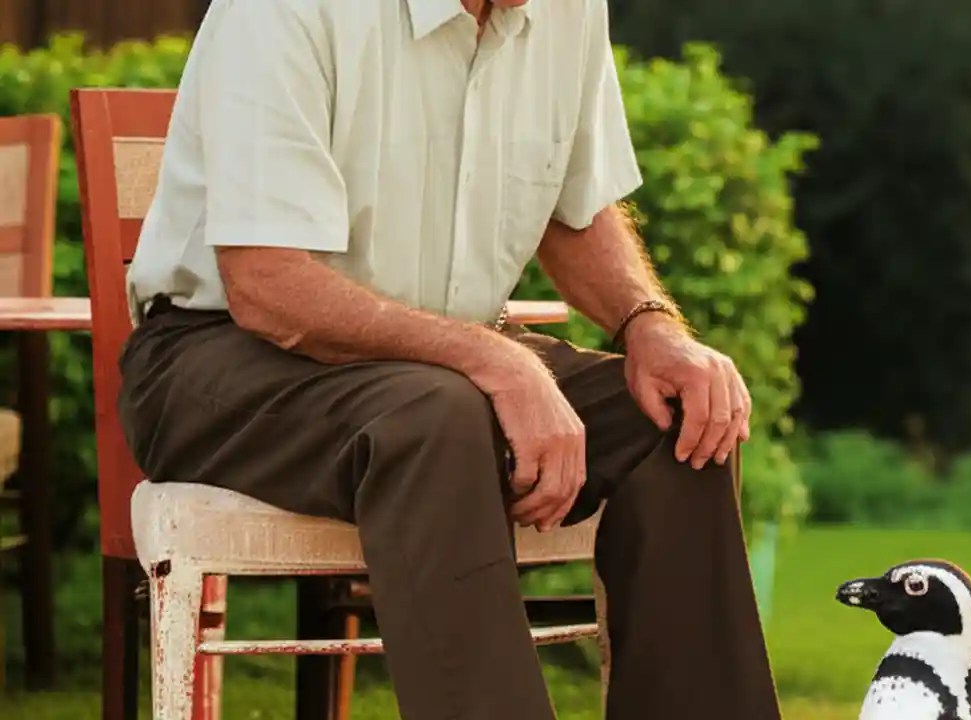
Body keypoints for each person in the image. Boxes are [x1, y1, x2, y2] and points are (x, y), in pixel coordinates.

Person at [118, 0, 783, 717]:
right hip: (217, 356)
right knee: (438, 416)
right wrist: (497, 362)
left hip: (439, 369)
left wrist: (650, 324)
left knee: (674, 418)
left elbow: (575, 209)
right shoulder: (283, 10)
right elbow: (268, 284)